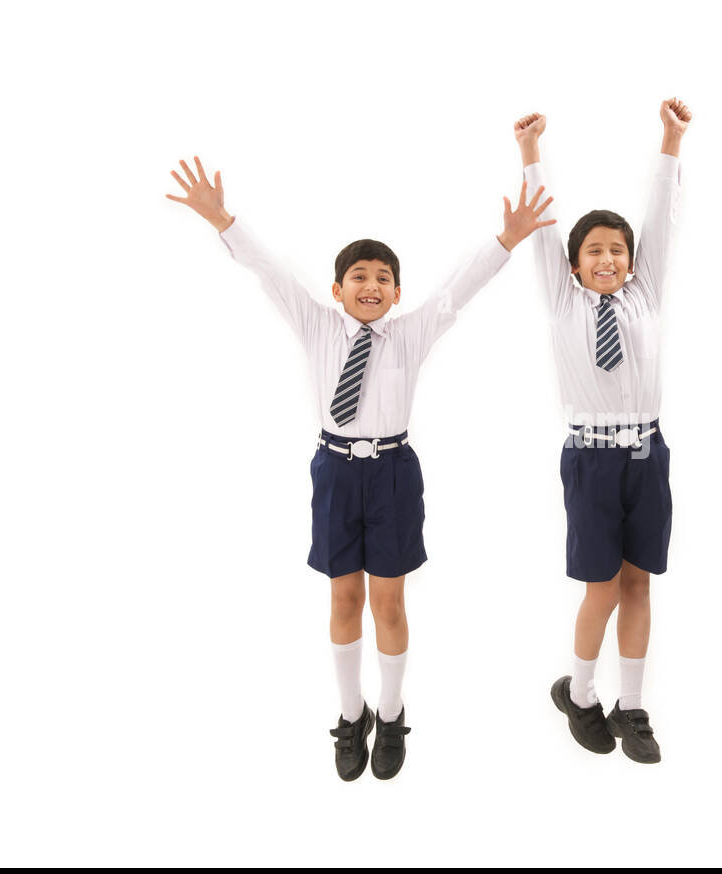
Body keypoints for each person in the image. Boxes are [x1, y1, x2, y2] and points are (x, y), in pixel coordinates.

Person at [165, 156, 554, 781]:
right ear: (336, 287)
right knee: (343, 598)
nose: (370, 286)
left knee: (390, 605)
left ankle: (393, 712)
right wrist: (223, 221)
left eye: (382, 278)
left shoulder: (410, 333)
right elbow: (271, 272)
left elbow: (459, 287)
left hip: (394, 473)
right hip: (337, 473)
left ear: (397, 292)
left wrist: (505, 239)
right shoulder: (316, 324)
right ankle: (352, 717)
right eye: (357, 276)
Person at [512, 100, 691, 765]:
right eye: (595, 250)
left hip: (648, 456)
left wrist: (670, 141)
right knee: (603, 586)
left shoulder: (645, 295)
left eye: (618, 249)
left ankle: (634, 704)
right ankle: (582, 692)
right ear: (575, 264)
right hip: (590, 460)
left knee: (640, 582)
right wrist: (531, 153)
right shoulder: (563, 301)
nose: (609, 257)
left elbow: (660, 221)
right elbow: (541, 229)